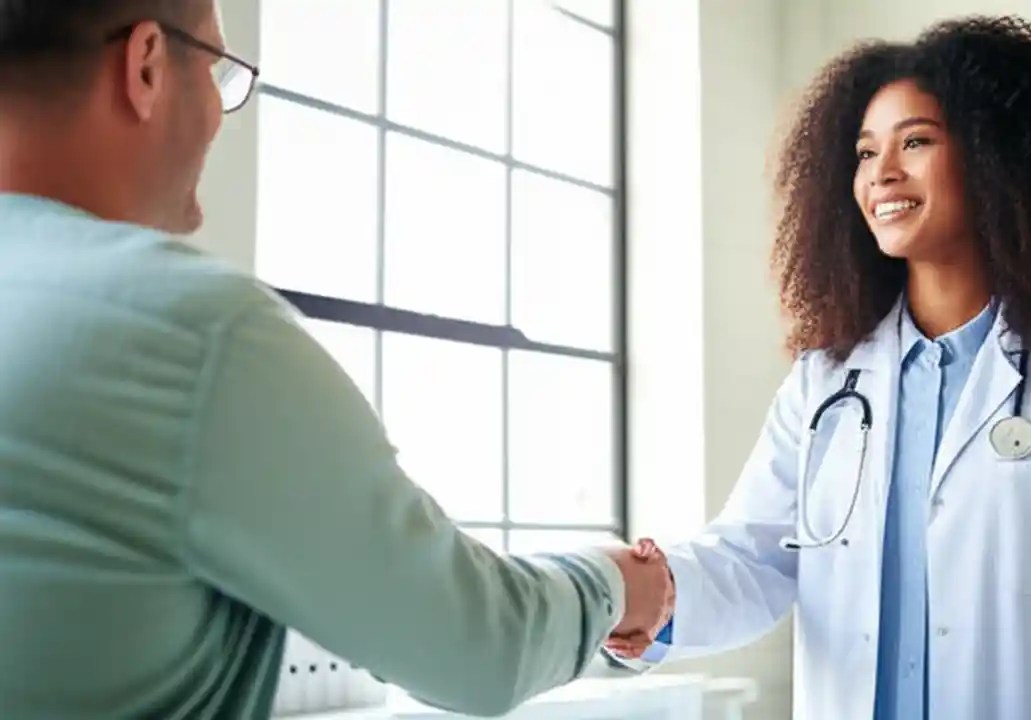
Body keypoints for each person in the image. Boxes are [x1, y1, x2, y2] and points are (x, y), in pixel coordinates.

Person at [0, 1, 670, 718]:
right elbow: (480, 649)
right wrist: (614, 585)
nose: (225, 112)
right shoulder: (196, 331)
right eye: (220, 72)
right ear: (146, 66)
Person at [605, 15, 1031, 720]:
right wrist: (657, 594)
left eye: (916, 141)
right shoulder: (827, 380)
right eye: (865, 153)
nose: (882, 173)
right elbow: (754, 557)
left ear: (995, 157)